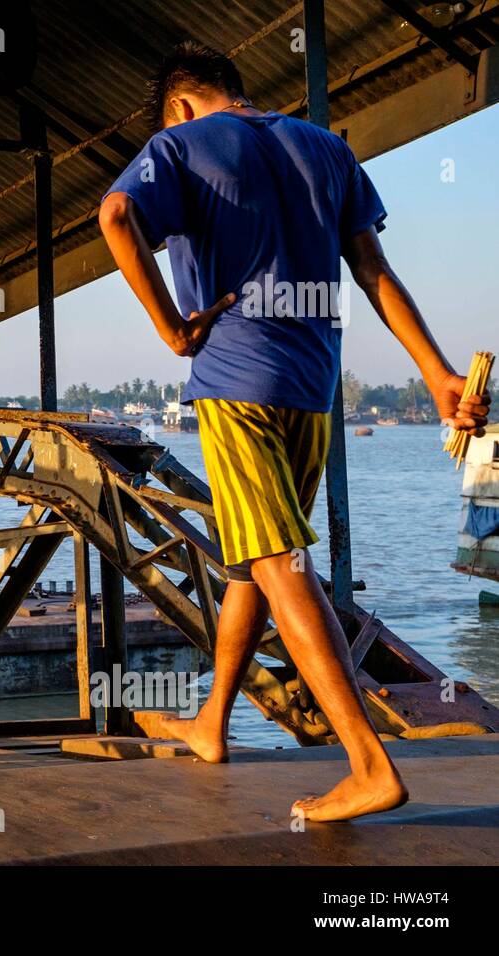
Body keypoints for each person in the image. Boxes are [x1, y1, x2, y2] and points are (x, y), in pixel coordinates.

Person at [98, 42, 490, 822]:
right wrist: (439, 375)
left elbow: (114, 216)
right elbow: (374, 270)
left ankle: (368, 764)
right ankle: (213, 724)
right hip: (312, 393)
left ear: (179, 103)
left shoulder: (177, 144)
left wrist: (174, 330)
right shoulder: (327, 147)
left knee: (276, 557)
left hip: (235, 385)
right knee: (255, 562)